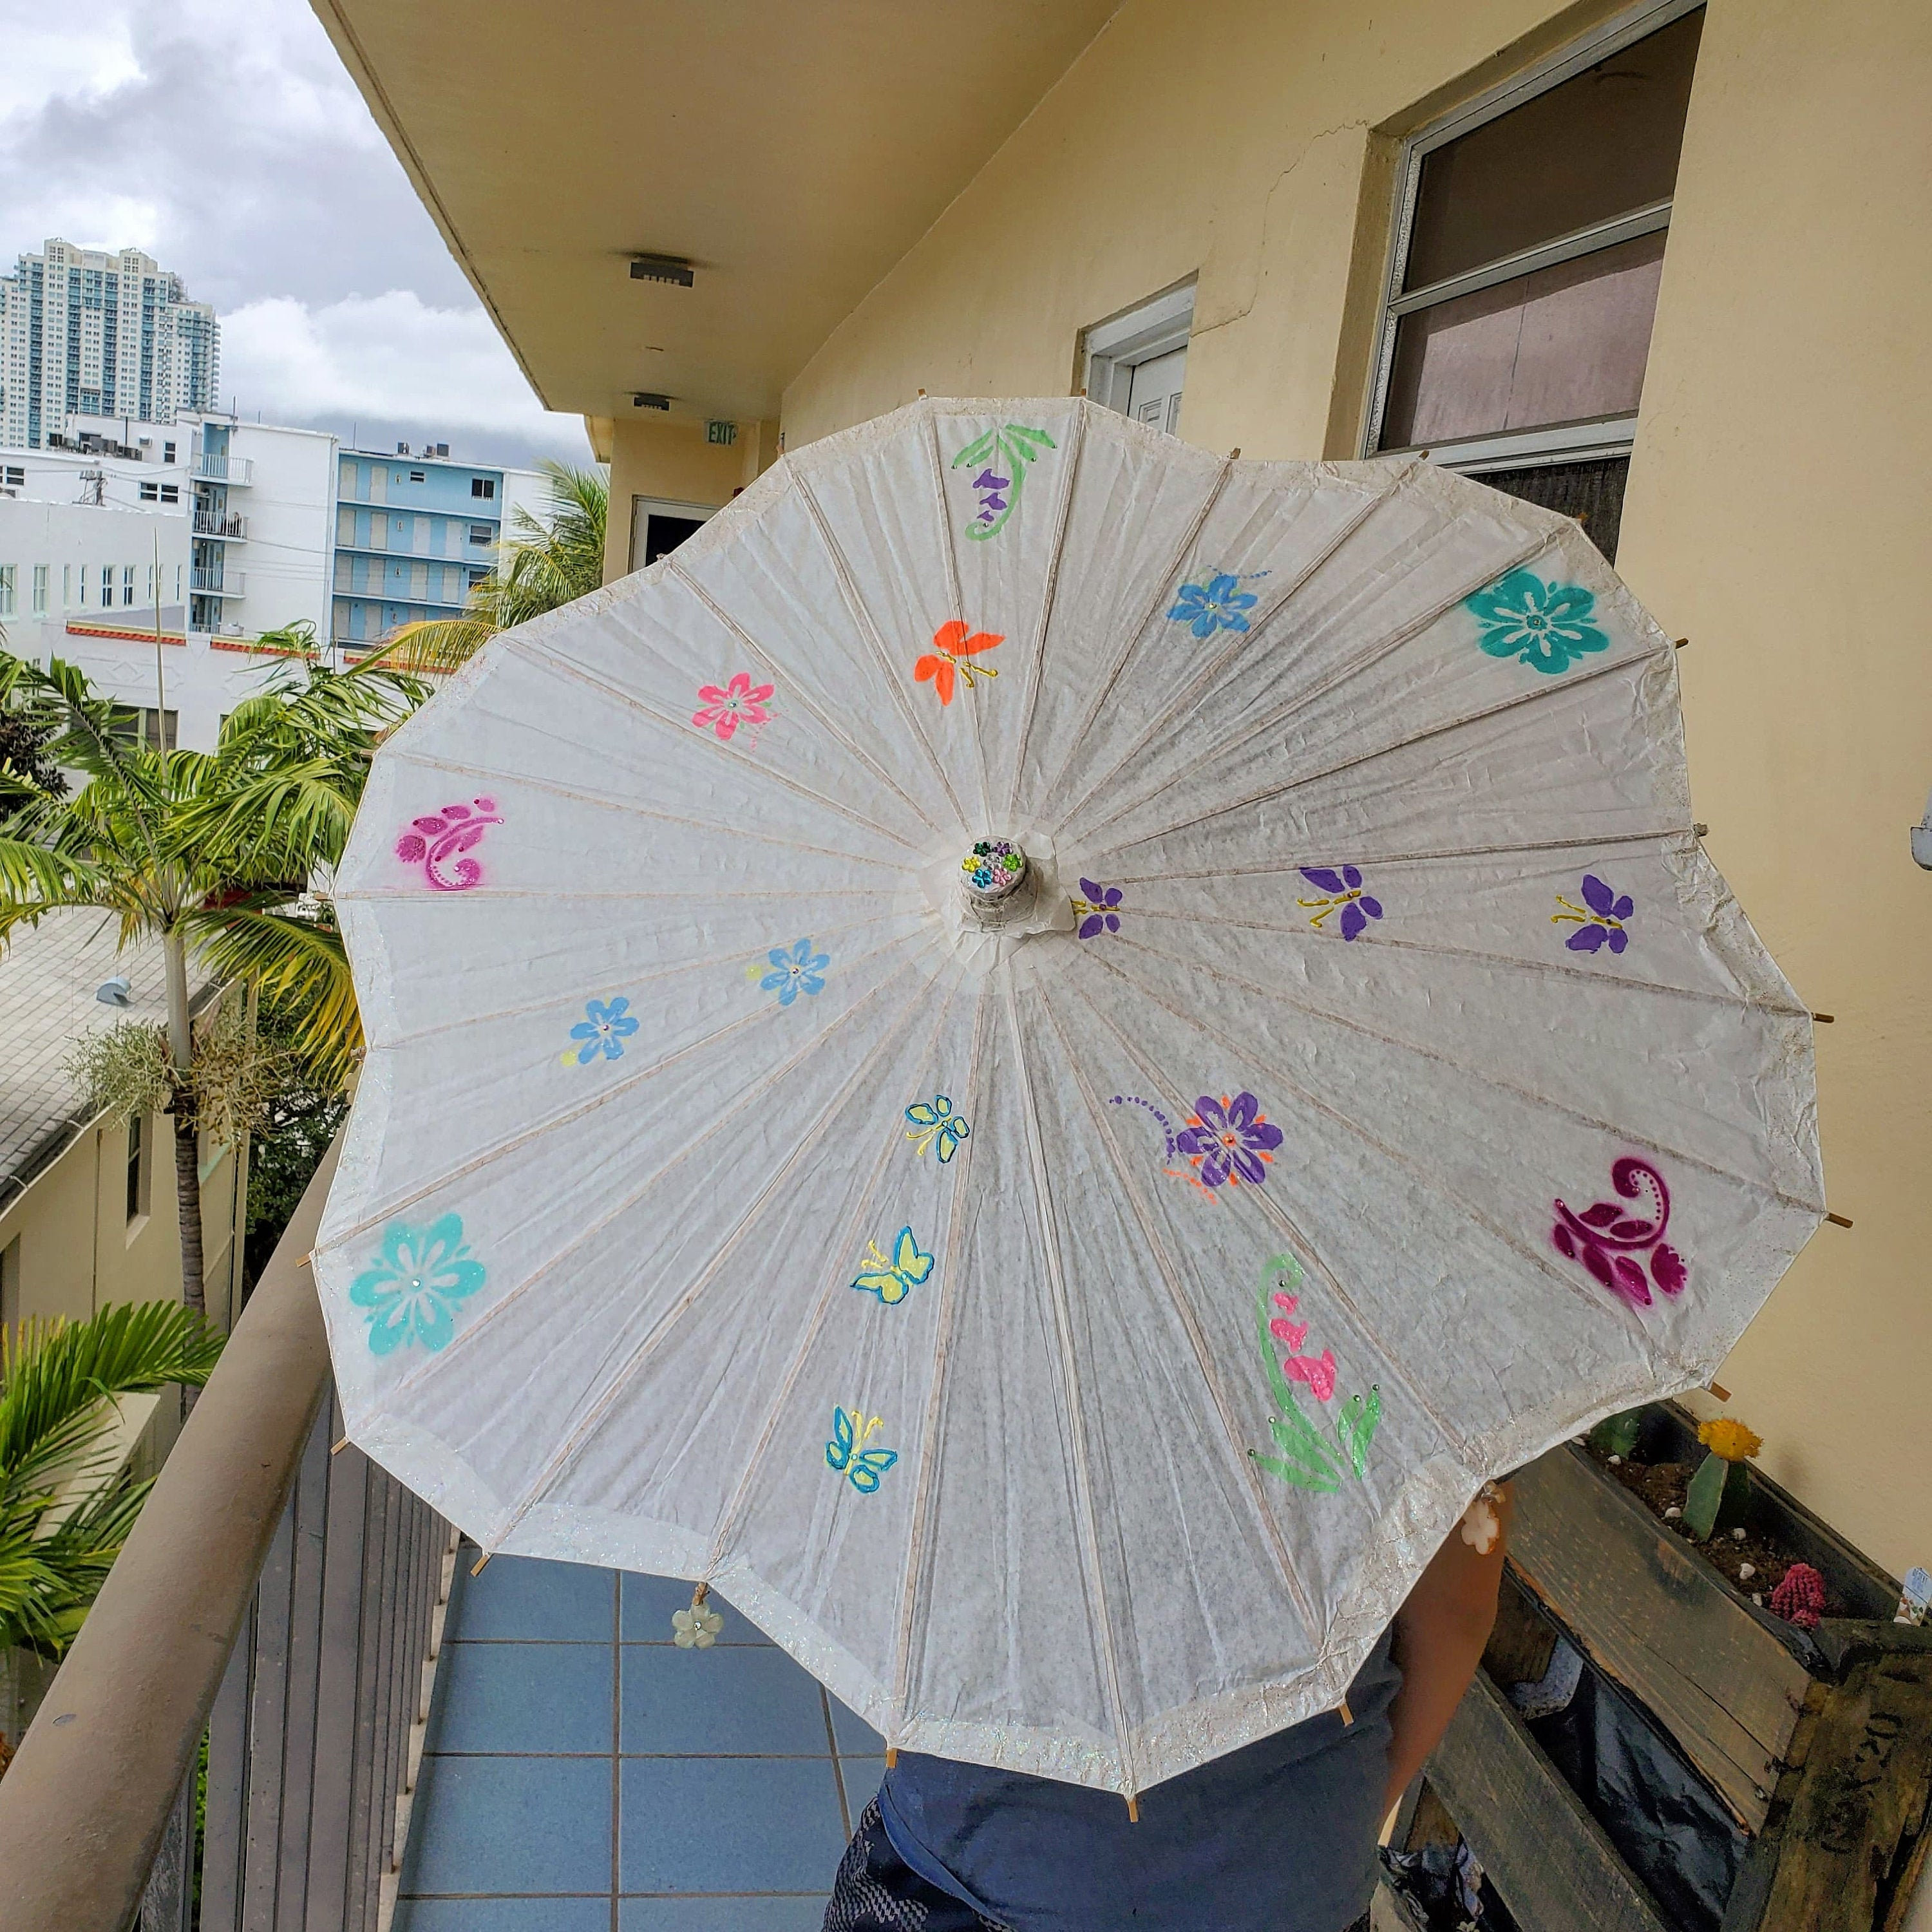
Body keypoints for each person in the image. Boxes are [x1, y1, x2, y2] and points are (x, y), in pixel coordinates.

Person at [823, 1484, 1510, 1932]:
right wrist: (1329, 1810)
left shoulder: (945, 1311)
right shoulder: (1408, 1312)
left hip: (973, 1858)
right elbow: (1455, 1604)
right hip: (1289, 1876)